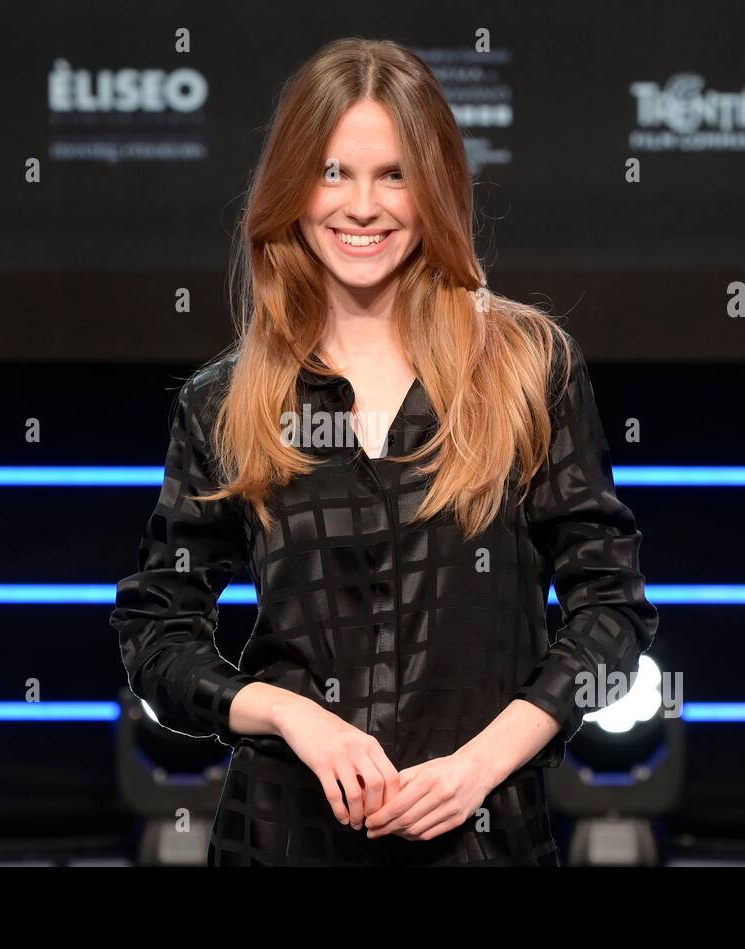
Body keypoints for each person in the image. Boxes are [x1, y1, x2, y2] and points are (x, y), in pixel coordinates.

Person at [110, 37, 659, 866]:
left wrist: (480, 767)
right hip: (280, 840)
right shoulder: (225, 402)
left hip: (484, 841)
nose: (362, 206)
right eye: (333, 173)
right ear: (292, 189)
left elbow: (612, 612)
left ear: (434, 188)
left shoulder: (526, 371)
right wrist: (293, 715)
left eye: (393, 174)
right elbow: (155, 633)